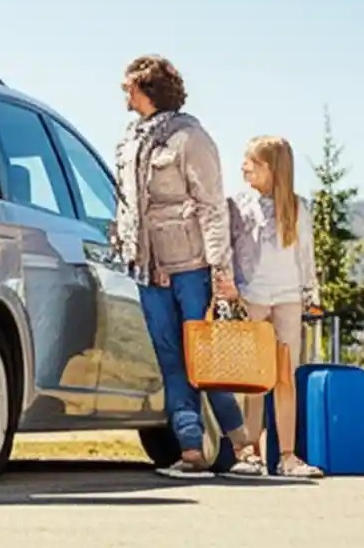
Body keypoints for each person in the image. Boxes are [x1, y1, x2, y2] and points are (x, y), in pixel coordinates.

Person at [111, 54, 257, 478]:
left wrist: (220, 269)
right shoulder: (132, 140)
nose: (125, 93)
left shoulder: (190, 137)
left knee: (204, 359)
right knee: (171, 359)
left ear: (148, 89)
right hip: (147, 267)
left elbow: (212, 207)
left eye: (130, 86)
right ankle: (190, 451)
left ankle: (244, 447)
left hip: (191, 265)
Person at [228, 136, 325, 478]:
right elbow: (229, 249)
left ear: (272, 169)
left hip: (287, 298)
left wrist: (311, 296)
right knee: (252, 381)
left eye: (251, 161)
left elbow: (306, 257)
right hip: (251, 296)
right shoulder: (237, 205)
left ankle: (287, 455)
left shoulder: (298, 208)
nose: (243, 167)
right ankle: (250, 452)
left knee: (285, 378)